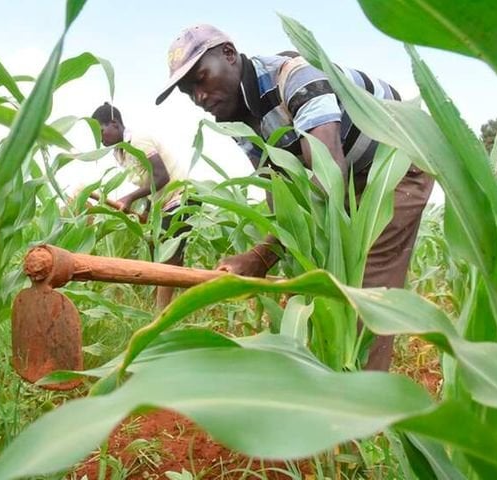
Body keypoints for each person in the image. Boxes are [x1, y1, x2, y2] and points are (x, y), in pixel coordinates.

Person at [155, 25, 434, 371]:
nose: (199, 97)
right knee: (317, 270)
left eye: (201, 78)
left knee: (368, 284)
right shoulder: (242, 119)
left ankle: (364, 399)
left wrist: (261, 255)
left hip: (399, 162)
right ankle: (323, 372)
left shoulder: (295, 77)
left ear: (229, 53)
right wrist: (276, 253)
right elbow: (283, 195)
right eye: (188, 92)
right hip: (348, 174)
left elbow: (328, 176)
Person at [90, 102, 191, 309]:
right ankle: (180, 306)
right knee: (160, 254)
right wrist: (145, 211)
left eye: (101, 131)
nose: (100, 138)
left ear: (115, 124)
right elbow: (147, 183)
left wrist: (128, 198)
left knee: (168, 257)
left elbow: (161, 176)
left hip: (181, 198)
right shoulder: (120, 153)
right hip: (162, 205)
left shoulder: (138, 141)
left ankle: (161, 313)